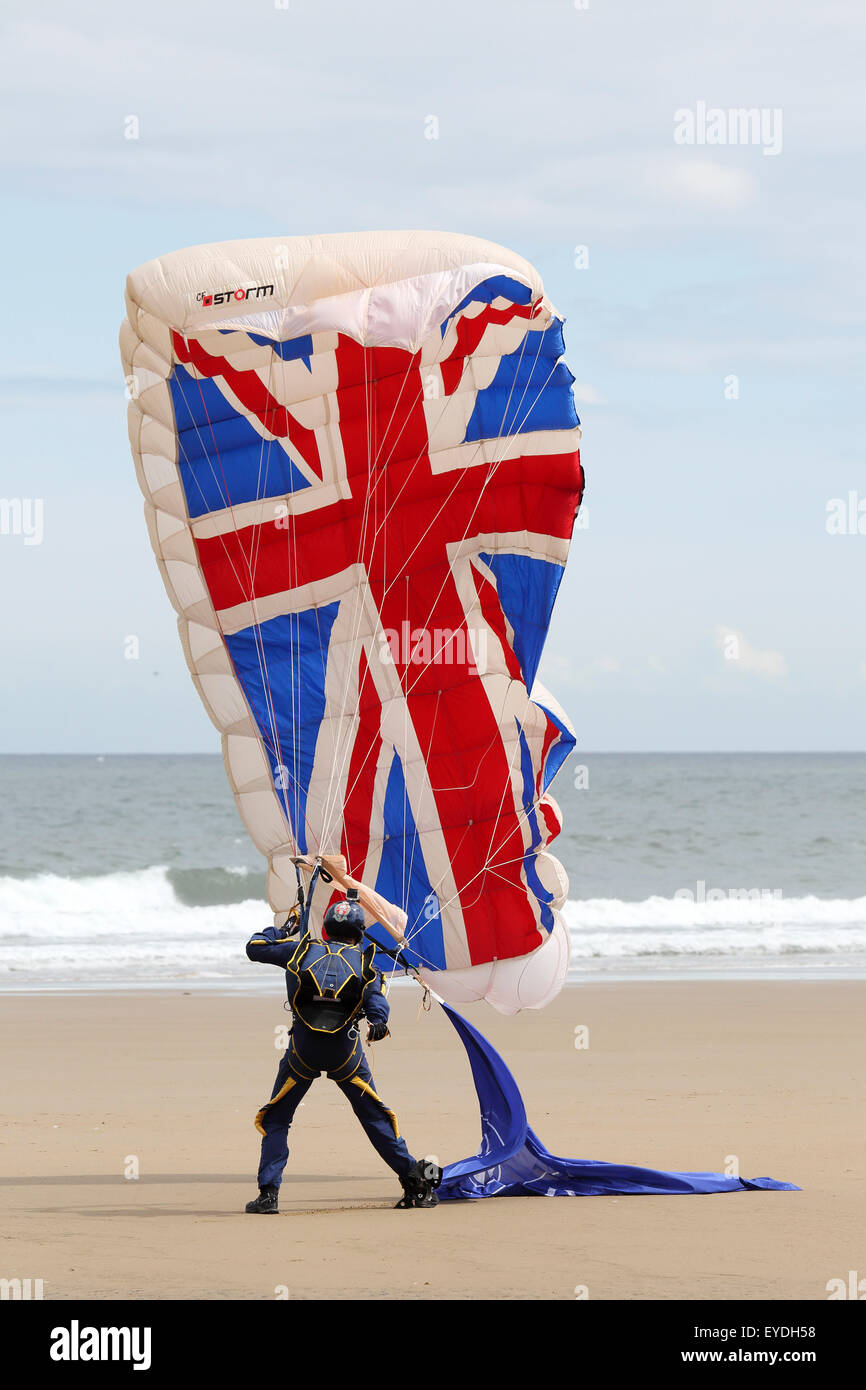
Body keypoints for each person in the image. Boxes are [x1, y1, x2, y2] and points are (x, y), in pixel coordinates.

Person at [244, 892, 441, 1213]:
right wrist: (378, 1023)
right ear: (359, 934)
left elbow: (255, 948)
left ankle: (268, 1195)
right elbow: (377, 1001)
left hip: (302, 1052)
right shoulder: (365, 964)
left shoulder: (300, 951)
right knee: (375, 1119)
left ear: (326, 929)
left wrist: (285, 929)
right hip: (345, 1054)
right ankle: (416, 1182)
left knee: (278, 1118)